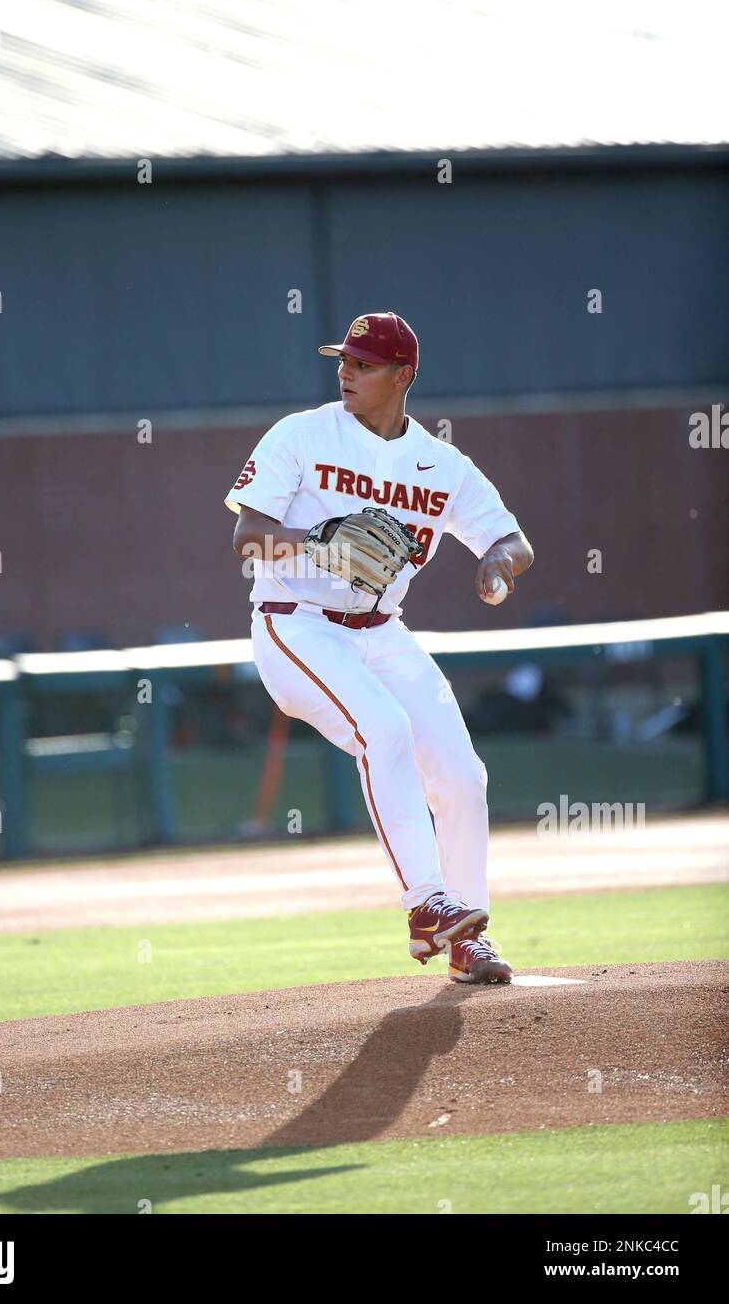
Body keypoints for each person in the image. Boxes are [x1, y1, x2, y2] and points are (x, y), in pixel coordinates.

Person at [224, 312, 534, 983]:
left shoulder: (441, 464)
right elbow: (247, 534)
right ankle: (426, 902)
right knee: (385, 728)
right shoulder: (303, 435)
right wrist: (317, 543)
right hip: (296, 623)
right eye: (344, 360)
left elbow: (513, 541)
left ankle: (468, 936)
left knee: (460, 774)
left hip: (381, 632)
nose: (346, 372)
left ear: (403, 376)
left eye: (363, 364)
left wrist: (495, 566)